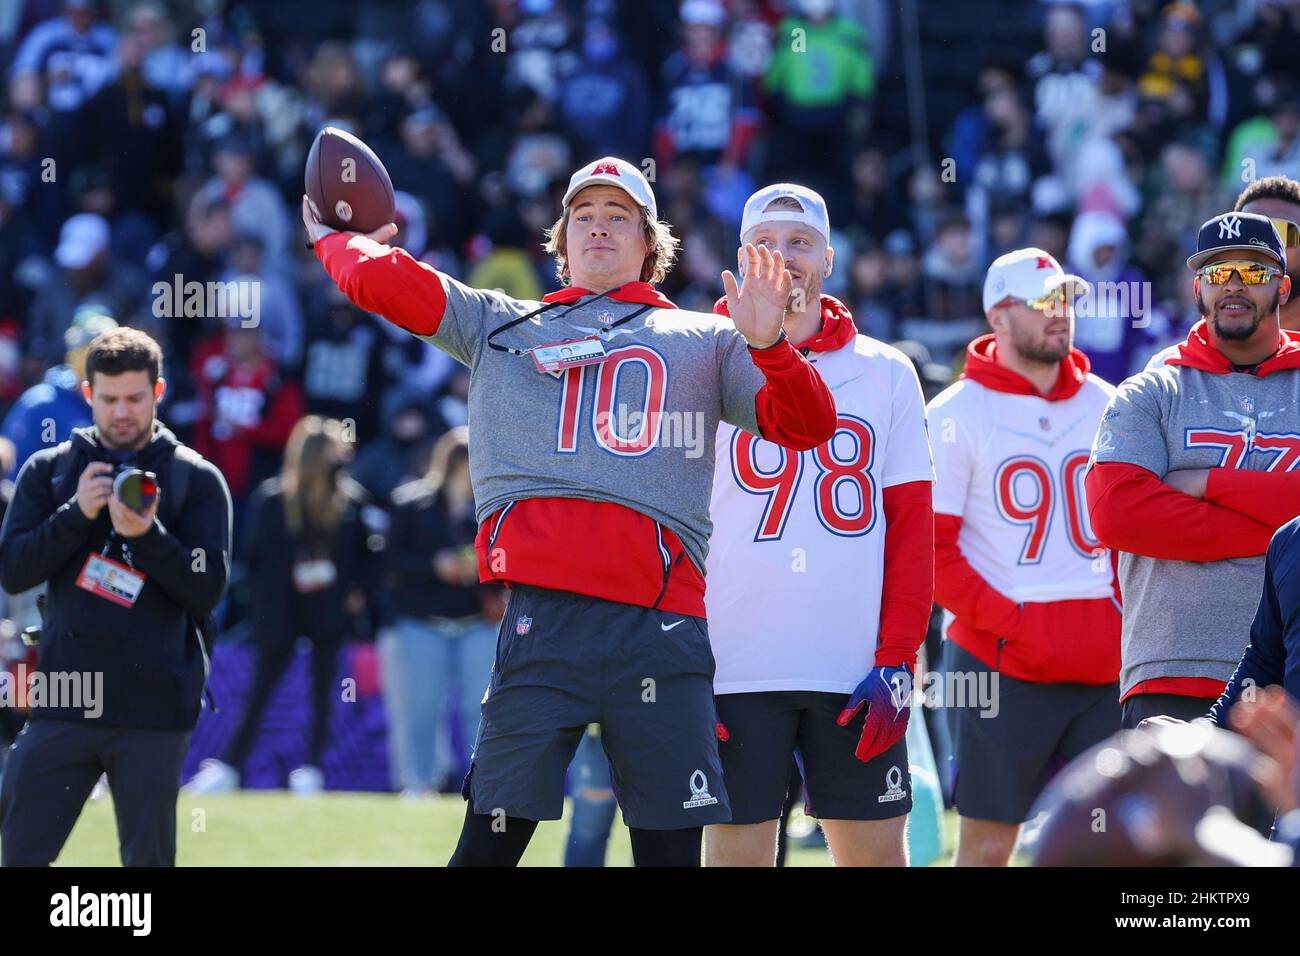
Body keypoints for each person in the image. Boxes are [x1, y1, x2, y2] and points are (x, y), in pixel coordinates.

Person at [304, 155, 836, 867]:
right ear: (560, 241)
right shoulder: (500, 323)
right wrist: (337, 240)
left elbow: (809, 427)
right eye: (583, 216)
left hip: (661, 625)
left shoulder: (709, 341)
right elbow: (388, 280)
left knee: (670, 855)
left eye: (618, 217)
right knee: (486, 847)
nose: (598, 229)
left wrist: (770, 346)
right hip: (540, 622)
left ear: (651, 243)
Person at [703, 184, 934, 867]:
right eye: (766, 244)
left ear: (829, 259)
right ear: (742, 261)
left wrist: (898, 656)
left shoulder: (887, 371)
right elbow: (670, 523)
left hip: (850, 665)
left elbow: (911, 525)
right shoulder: (702, 353)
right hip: (732, 664)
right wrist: (680, 658)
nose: (784, 259)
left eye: (799, 243)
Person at [0, 328, 232, 866]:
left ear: (159, 392)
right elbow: (13, 571)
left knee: (146, 866)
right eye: (108, 399)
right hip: (64, 697)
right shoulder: (51, 471)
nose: (121, 412)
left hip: (153, 707)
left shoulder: (194, 478)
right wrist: (75, 515)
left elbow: (206, 590)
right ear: (87, 395)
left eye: (134, 398)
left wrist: (146, 537)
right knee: (22, 853)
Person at [927, 248, 1122, 867]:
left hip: (1106, 663)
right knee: (987, 846)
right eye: (1042, 303)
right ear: (1000, 317)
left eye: (1064, 299)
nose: (1059, 314)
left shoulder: (1110, 402)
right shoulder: (956, 413)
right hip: (998, 663)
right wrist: (1014, 625)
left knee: (1112, 842)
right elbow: (931, 553)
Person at [1086, 213, 1300, 728]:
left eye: (1251, 272)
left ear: (1283, 286)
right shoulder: (1151, 390)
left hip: (1292, 677)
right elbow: (1118, 515)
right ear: (1196, 287)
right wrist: (1286, 534)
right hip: (1175, 671)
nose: (1232, 285)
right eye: (1217, 272)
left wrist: (1207, 484)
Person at [185, 416, 381, 796]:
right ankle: (228, 768)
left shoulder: (351, 503)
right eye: (330, 451)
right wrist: (267, 617)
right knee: (261, 693)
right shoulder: (273, 500)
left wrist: (356, 596)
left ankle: (311, 770)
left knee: (325, 692)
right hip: (283, 614)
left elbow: (371, 559)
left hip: (330, 612)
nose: (340, 457)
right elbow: (256, 563)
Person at [378, 426, 498, 796]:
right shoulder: (410, 503)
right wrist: (434, 564)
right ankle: (417, 784)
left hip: (476, 622)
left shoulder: (491, 509)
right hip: (422, 621)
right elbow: (389, 561)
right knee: (420, 708)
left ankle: (483, 785)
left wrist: (478, 571)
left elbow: (509, 564)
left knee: (480, 710)